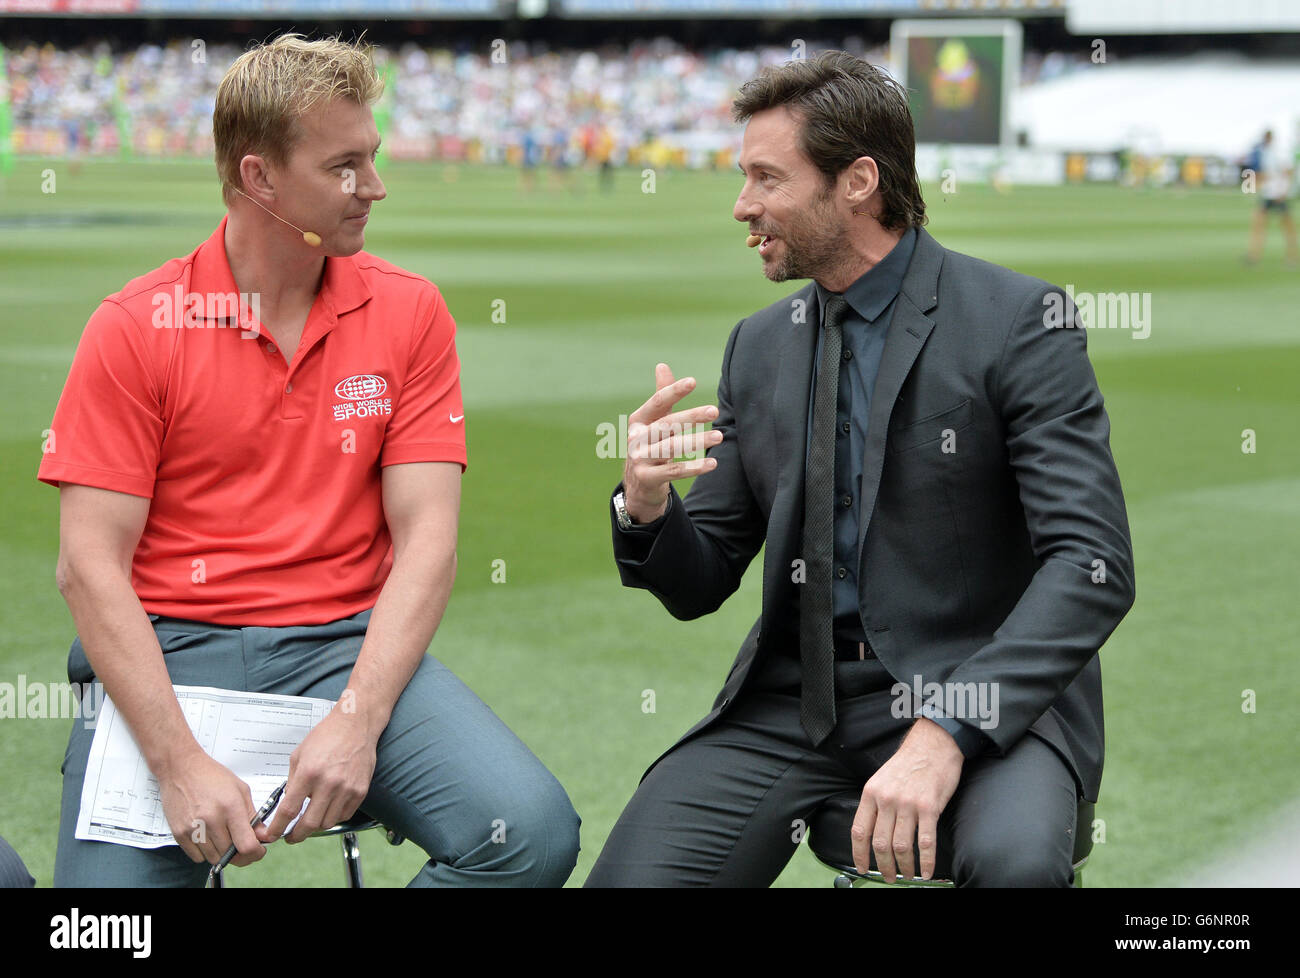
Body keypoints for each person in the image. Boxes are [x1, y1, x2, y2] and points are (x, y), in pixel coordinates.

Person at [41, 33, 579, 887]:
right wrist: (177, 760)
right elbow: (88, 568)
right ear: (259, 178)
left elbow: (428, 542)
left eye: (371, 157)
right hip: (172, 653)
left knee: (530, 836)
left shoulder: (410, 312)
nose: (375, 185)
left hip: (343, 648)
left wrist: (359, 718)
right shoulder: (136, 324)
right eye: (344, 166)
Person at [587, 51, 1134, 887]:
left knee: (1015, 866)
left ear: (858, 182)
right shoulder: (760, 346)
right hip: (791, 708)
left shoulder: (1021, 322)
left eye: (767, 178)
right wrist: (648, 505)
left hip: (981, 700)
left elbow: (1092, 566)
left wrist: (948, 730)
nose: (743, 206)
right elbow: (702, 583)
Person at [1245, 129, 1298, 265]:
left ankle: (1293, 256)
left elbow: (1288, 173)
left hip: (1279, 195)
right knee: (1258, 223)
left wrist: (1283, 192)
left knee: (1287, 227)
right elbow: (1265, 174)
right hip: (1268, 194)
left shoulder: (1280, 153)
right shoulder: (1265, 153)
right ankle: (1254, 256)